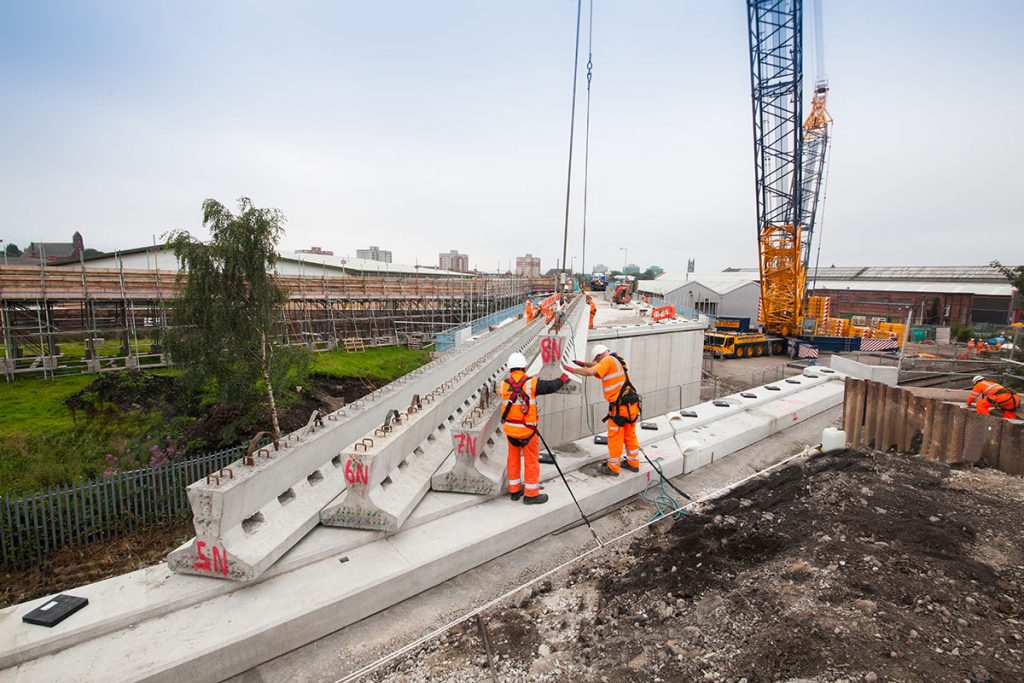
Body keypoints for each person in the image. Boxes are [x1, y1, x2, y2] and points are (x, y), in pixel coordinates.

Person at [500, 352, 569, 504]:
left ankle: (514, 491)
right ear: (524, 367)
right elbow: (550, 387)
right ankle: (531, 495)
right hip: (527, 431)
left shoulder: (502, 385)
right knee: (531, 461)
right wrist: (563, 379)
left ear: (510, 368)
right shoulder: (531, 383)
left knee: (513, 459)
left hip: (510, 431)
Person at [563, 344, 641, 475]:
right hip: (631, 405)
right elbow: (595, 365)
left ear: (599, 356)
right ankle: (633, 463)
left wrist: (572, 370)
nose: (597, 362)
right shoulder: (615, 359)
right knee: (630, 435)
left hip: (620, 409)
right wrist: (583, 364)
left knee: (615, 437)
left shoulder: (607, 361)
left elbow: (591, 371)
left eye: (597, 359)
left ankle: (613, 467)